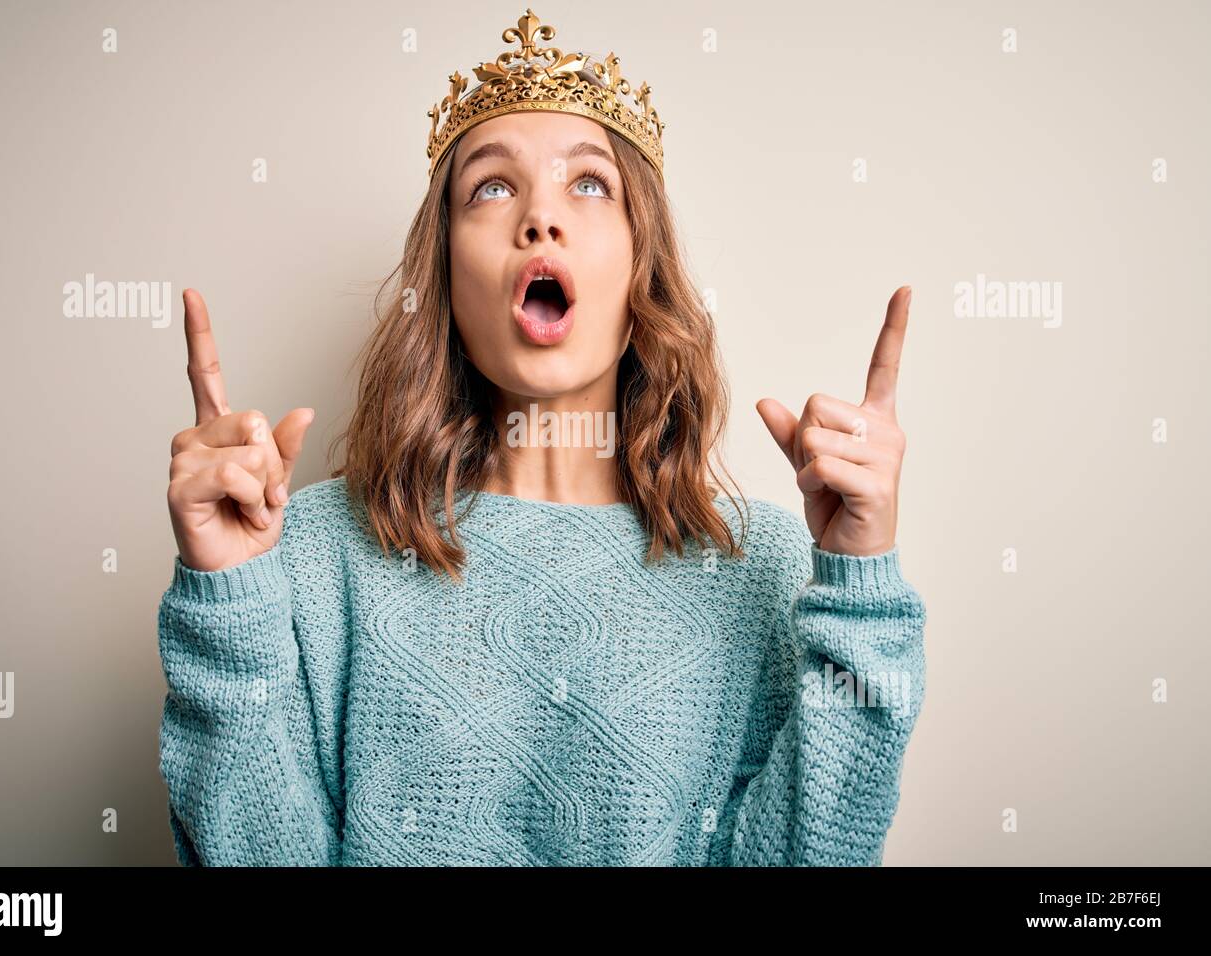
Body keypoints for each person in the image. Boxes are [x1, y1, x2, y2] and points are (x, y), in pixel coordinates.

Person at [157, 8, 926, 866]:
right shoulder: (311, 553)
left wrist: (861, 584)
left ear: (644, 266)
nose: (540, 218)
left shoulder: (767, 568)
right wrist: (226, 605)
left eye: (590, 184)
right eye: (491, 187)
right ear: (444, 274)